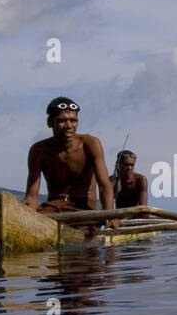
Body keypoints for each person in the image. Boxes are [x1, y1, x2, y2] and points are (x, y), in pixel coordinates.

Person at [24, 97, 120, 228]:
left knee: (87, 237)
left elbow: (104, 185)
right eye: (62, 121)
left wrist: (110, 215)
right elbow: (31, 197)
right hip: (52, 209)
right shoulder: (39, 150)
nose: (69, 125)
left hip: (83, 210)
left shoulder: (90, 144)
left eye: (73, 120)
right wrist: (29, 223)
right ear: (49, 122)